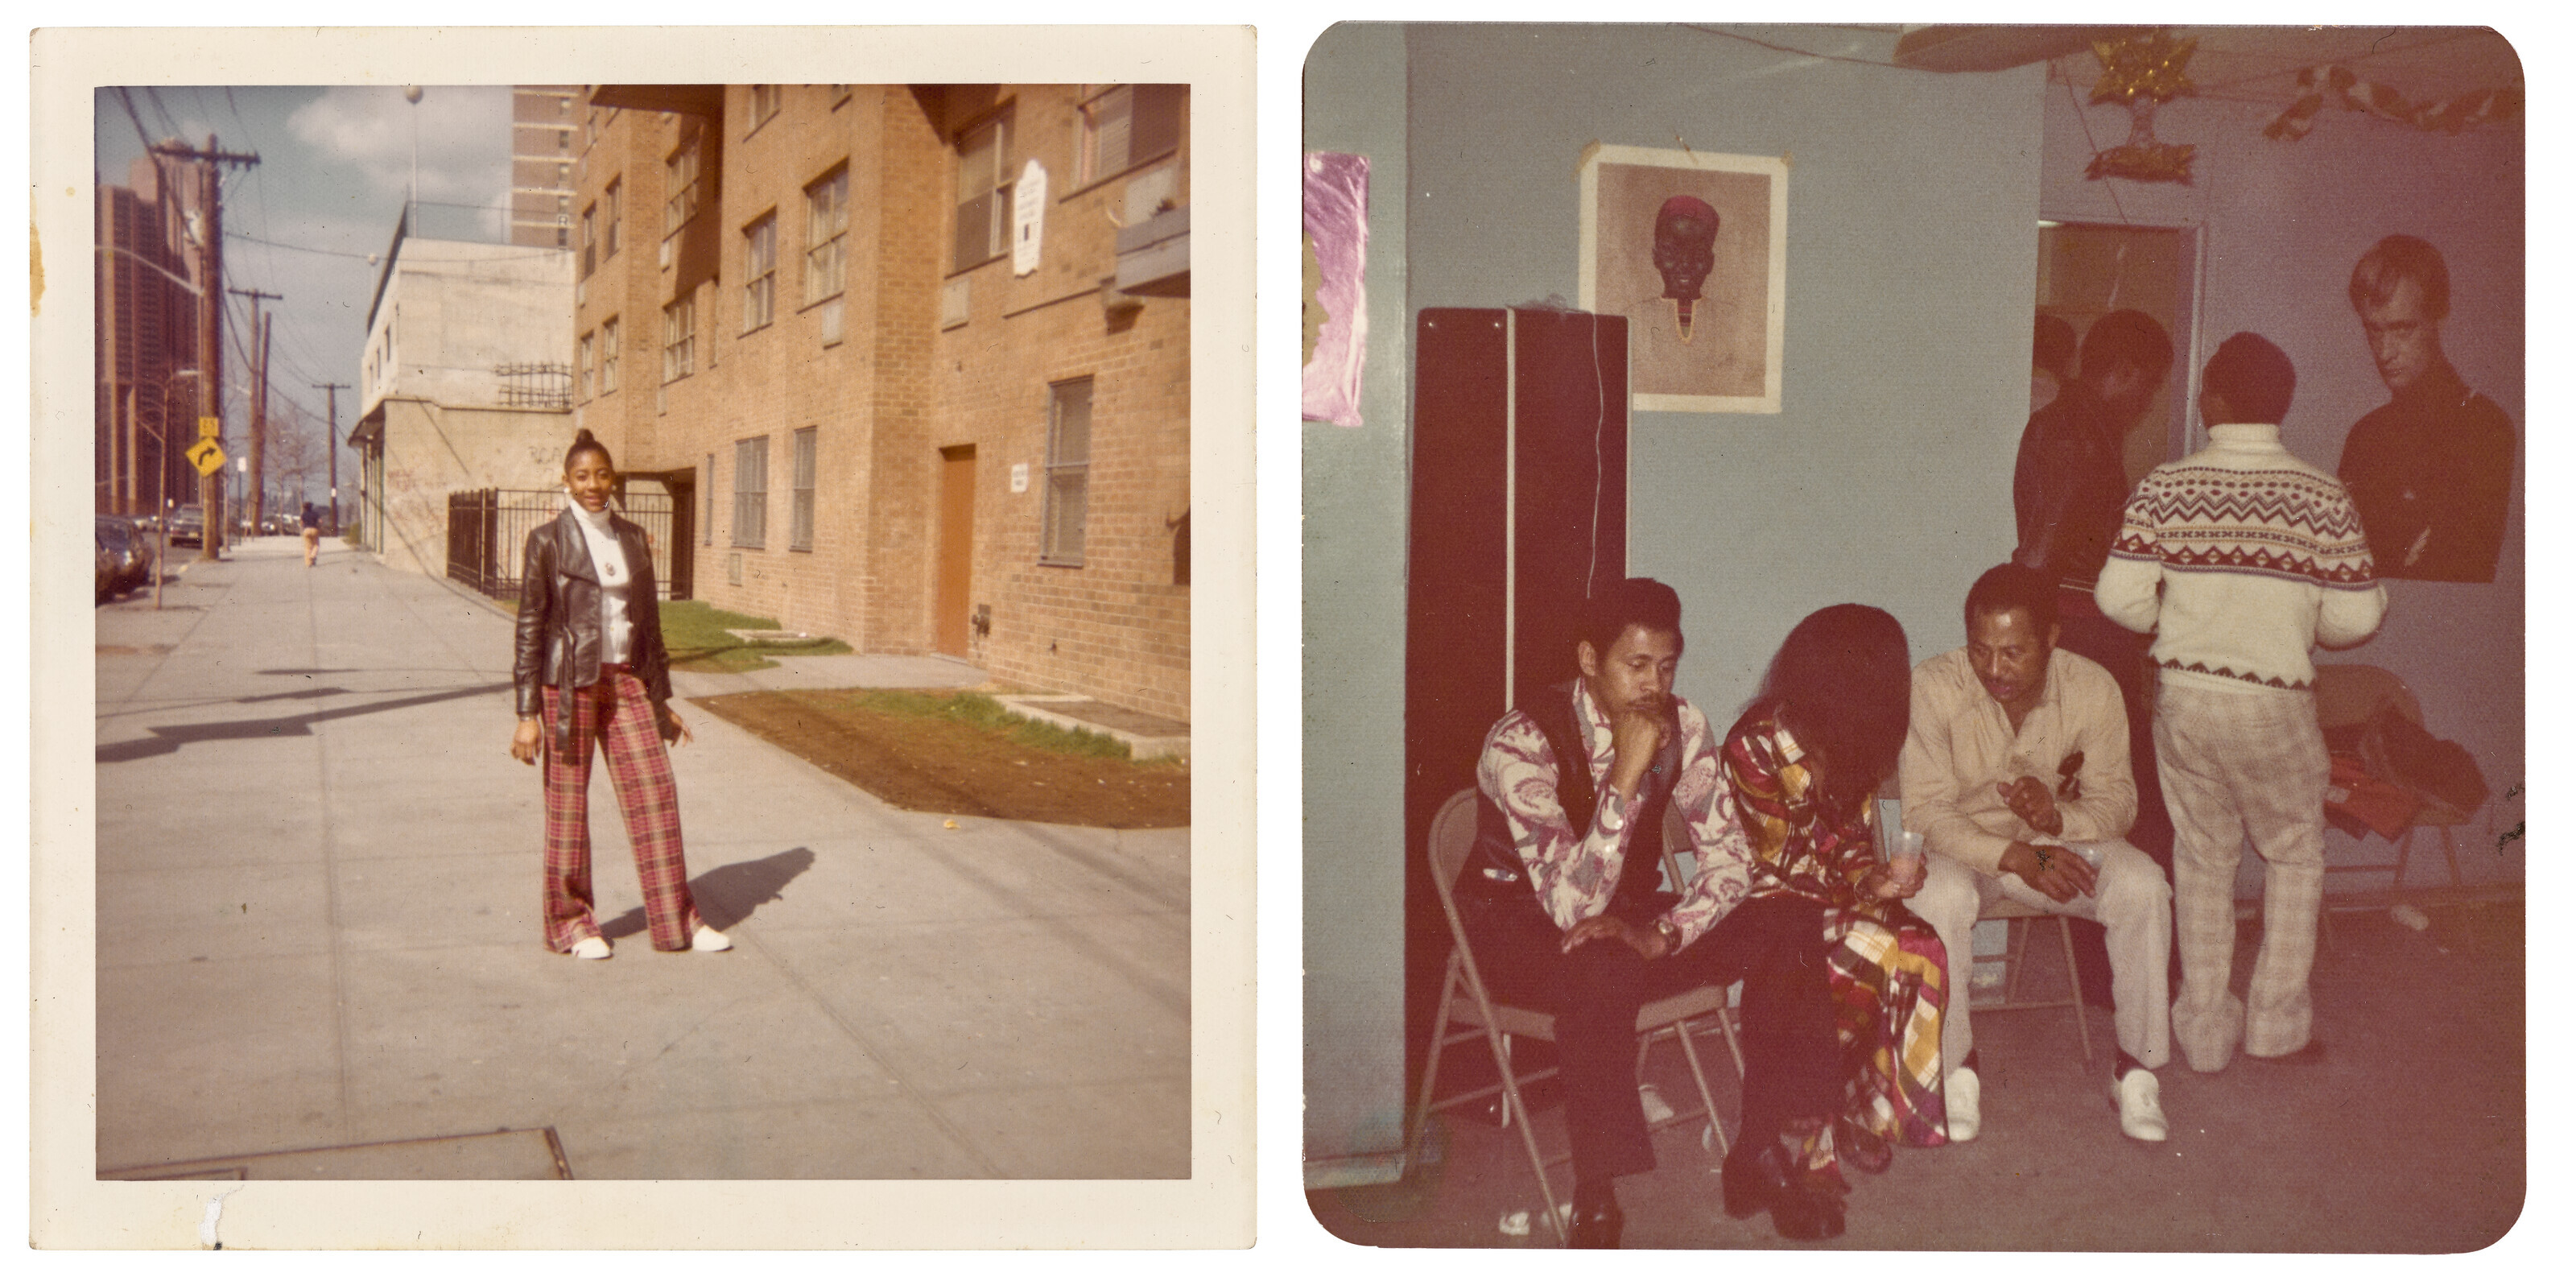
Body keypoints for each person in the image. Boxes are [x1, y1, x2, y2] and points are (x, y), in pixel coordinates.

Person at [1467, 578, 1845, 1245]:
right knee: (1599, 962)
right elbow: (1568, 906)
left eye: (1666, 666)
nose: (1653, 685)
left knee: (1787, 917)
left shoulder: (1685, 724)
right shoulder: (1520, 743)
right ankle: (1596, 1190)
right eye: (1635, 665)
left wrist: (1663, 934)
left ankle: (1763, 1146)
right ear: (1590, 660)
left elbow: (1731, 864)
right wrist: (1624, 779)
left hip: (1631, 924)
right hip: (1520, 932)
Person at [2096, 333, 2385, 1071]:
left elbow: (2118, 598)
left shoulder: (2164, 485)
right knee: (2293, 854)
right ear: (2281, 405)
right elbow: (2357, 619)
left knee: (2201, 859)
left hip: (2185, 699)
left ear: (2215, 400)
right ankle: (2275, 1028)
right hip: (2274, 702)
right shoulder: (2323, 495)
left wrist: (2186, 625)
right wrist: (2290, 619)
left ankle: (2202, 1034)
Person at [1900, 564, 2172, 1143]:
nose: (1994, 669)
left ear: (2051, 638)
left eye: (2013, 652)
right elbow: (1924, 812)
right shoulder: (1933, 685)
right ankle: (1956, 1071)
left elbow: (2119, 803)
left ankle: (2138, 1068)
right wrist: (2018, 855)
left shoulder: (2093, 687)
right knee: (1937, 894)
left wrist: (2056, 820)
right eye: (1981, 650)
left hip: (2052, 848)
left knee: (2142, 884)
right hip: (1965, 851)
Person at [1723, 605, 1951, 1175]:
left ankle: (1865, 1109)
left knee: (1923, 947)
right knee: (1873, 943)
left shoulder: (1852, 742)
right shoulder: (1755, 745)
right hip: (1766, 910)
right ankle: (1810, 1101)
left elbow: (1844, 840)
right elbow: (1780, 865)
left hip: (1822, 897)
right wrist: (1863, 888)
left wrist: (1872, 876)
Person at [510, 428, 729, 961]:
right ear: (567, 481)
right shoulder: (546, 541)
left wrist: (660, 703)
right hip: (568, 686)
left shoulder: (631, 538)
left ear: (614, 479)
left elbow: (649, 627)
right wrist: (526, 714)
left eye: (602, 474)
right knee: (568, 808)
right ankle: (572, 925)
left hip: (625, 681)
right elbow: (530, 625)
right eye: (582, 476)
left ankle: (678, 920)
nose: (594, 485)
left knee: (655, 794)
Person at [2011, 308, 2178, 1006]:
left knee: (2089, 804)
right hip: (2081, 641)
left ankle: (2108, 975)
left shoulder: (2073, 425)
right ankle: (2134, 977)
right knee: (2133, 806)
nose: (2146, 406)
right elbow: (2043, 554)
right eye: (2147, 388)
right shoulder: (2080, 435)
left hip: (2078, 639)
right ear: (2125, 374)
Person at [2335, 234, 2516, 583]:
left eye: (2402, 329)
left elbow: (2459, 571)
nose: (2385, 351)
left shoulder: (2486, 428)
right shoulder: (2365, 435)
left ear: (2439, 318)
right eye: (2373, 330)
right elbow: (2343, 567)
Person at [299, 502, 321, 567]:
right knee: (316, 545)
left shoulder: (303, 514)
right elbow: (320, 521)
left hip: (306, 530)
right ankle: (313, 556)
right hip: (314, 529)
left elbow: (301, 523)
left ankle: (308, 563)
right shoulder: (315, 514)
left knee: (308, 547)